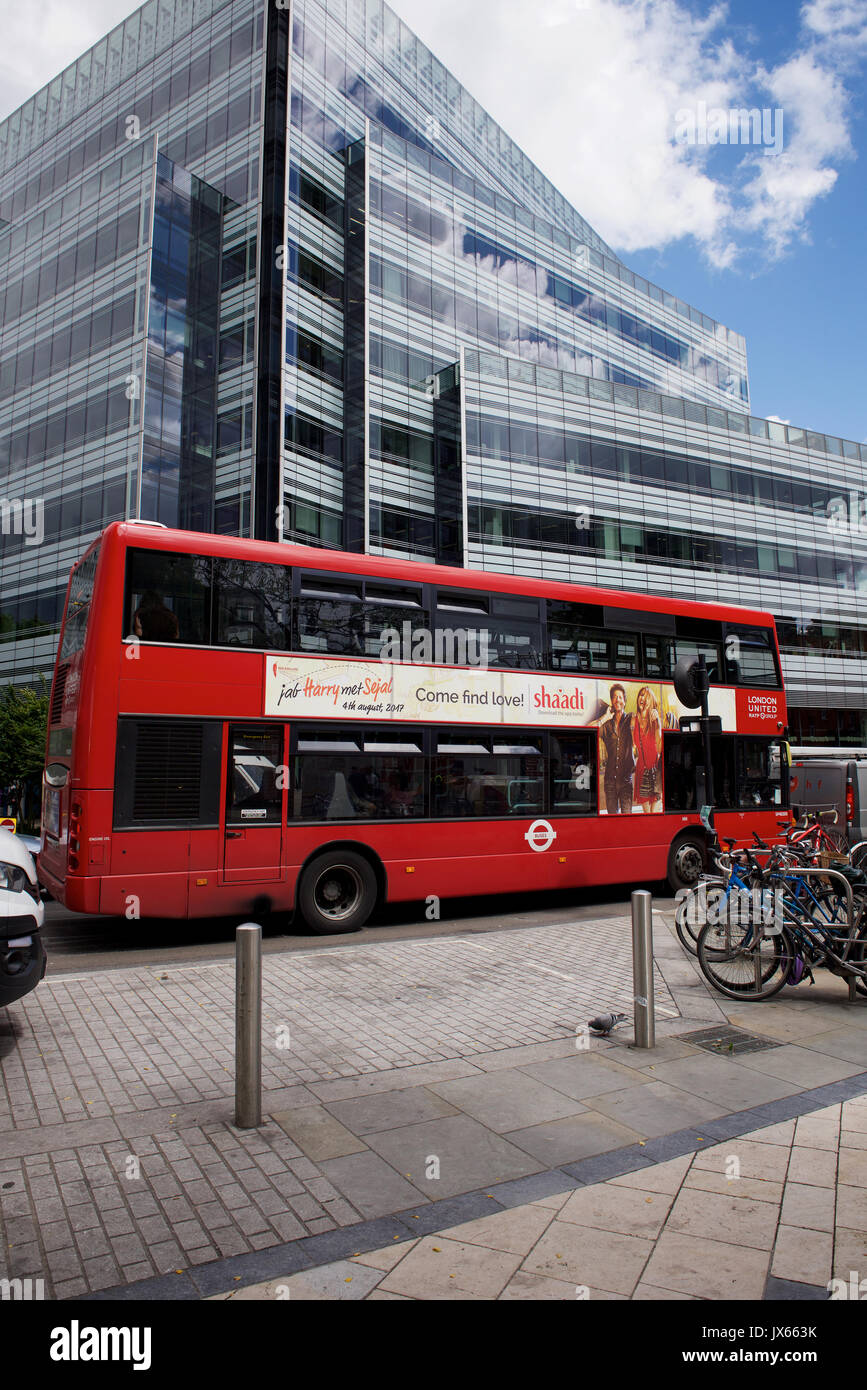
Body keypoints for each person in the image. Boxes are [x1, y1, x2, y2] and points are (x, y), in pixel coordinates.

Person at [598, 684, 635, 814]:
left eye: (620, 697)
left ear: (624, 701)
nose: (617, 699)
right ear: (611, 702)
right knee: (612, 821)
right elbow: (589, 730)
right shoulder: (607, 725)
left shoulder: (631, 719)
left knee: (627, 821)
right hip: (610, 782)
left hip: (626, 781)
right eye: (614, 697)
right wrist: (604, 717)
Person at [633, 685, 663, 813]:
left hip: (655, 770)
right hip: (641, 769)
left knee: (654, 813)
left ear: (651, 701)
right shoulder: (634, 720)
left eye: (646, 695)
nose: (642, 698)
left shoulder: (655, 721)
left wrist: (658, 726)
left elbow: (660, 748)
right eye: (641, 694)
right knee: (646, 814)